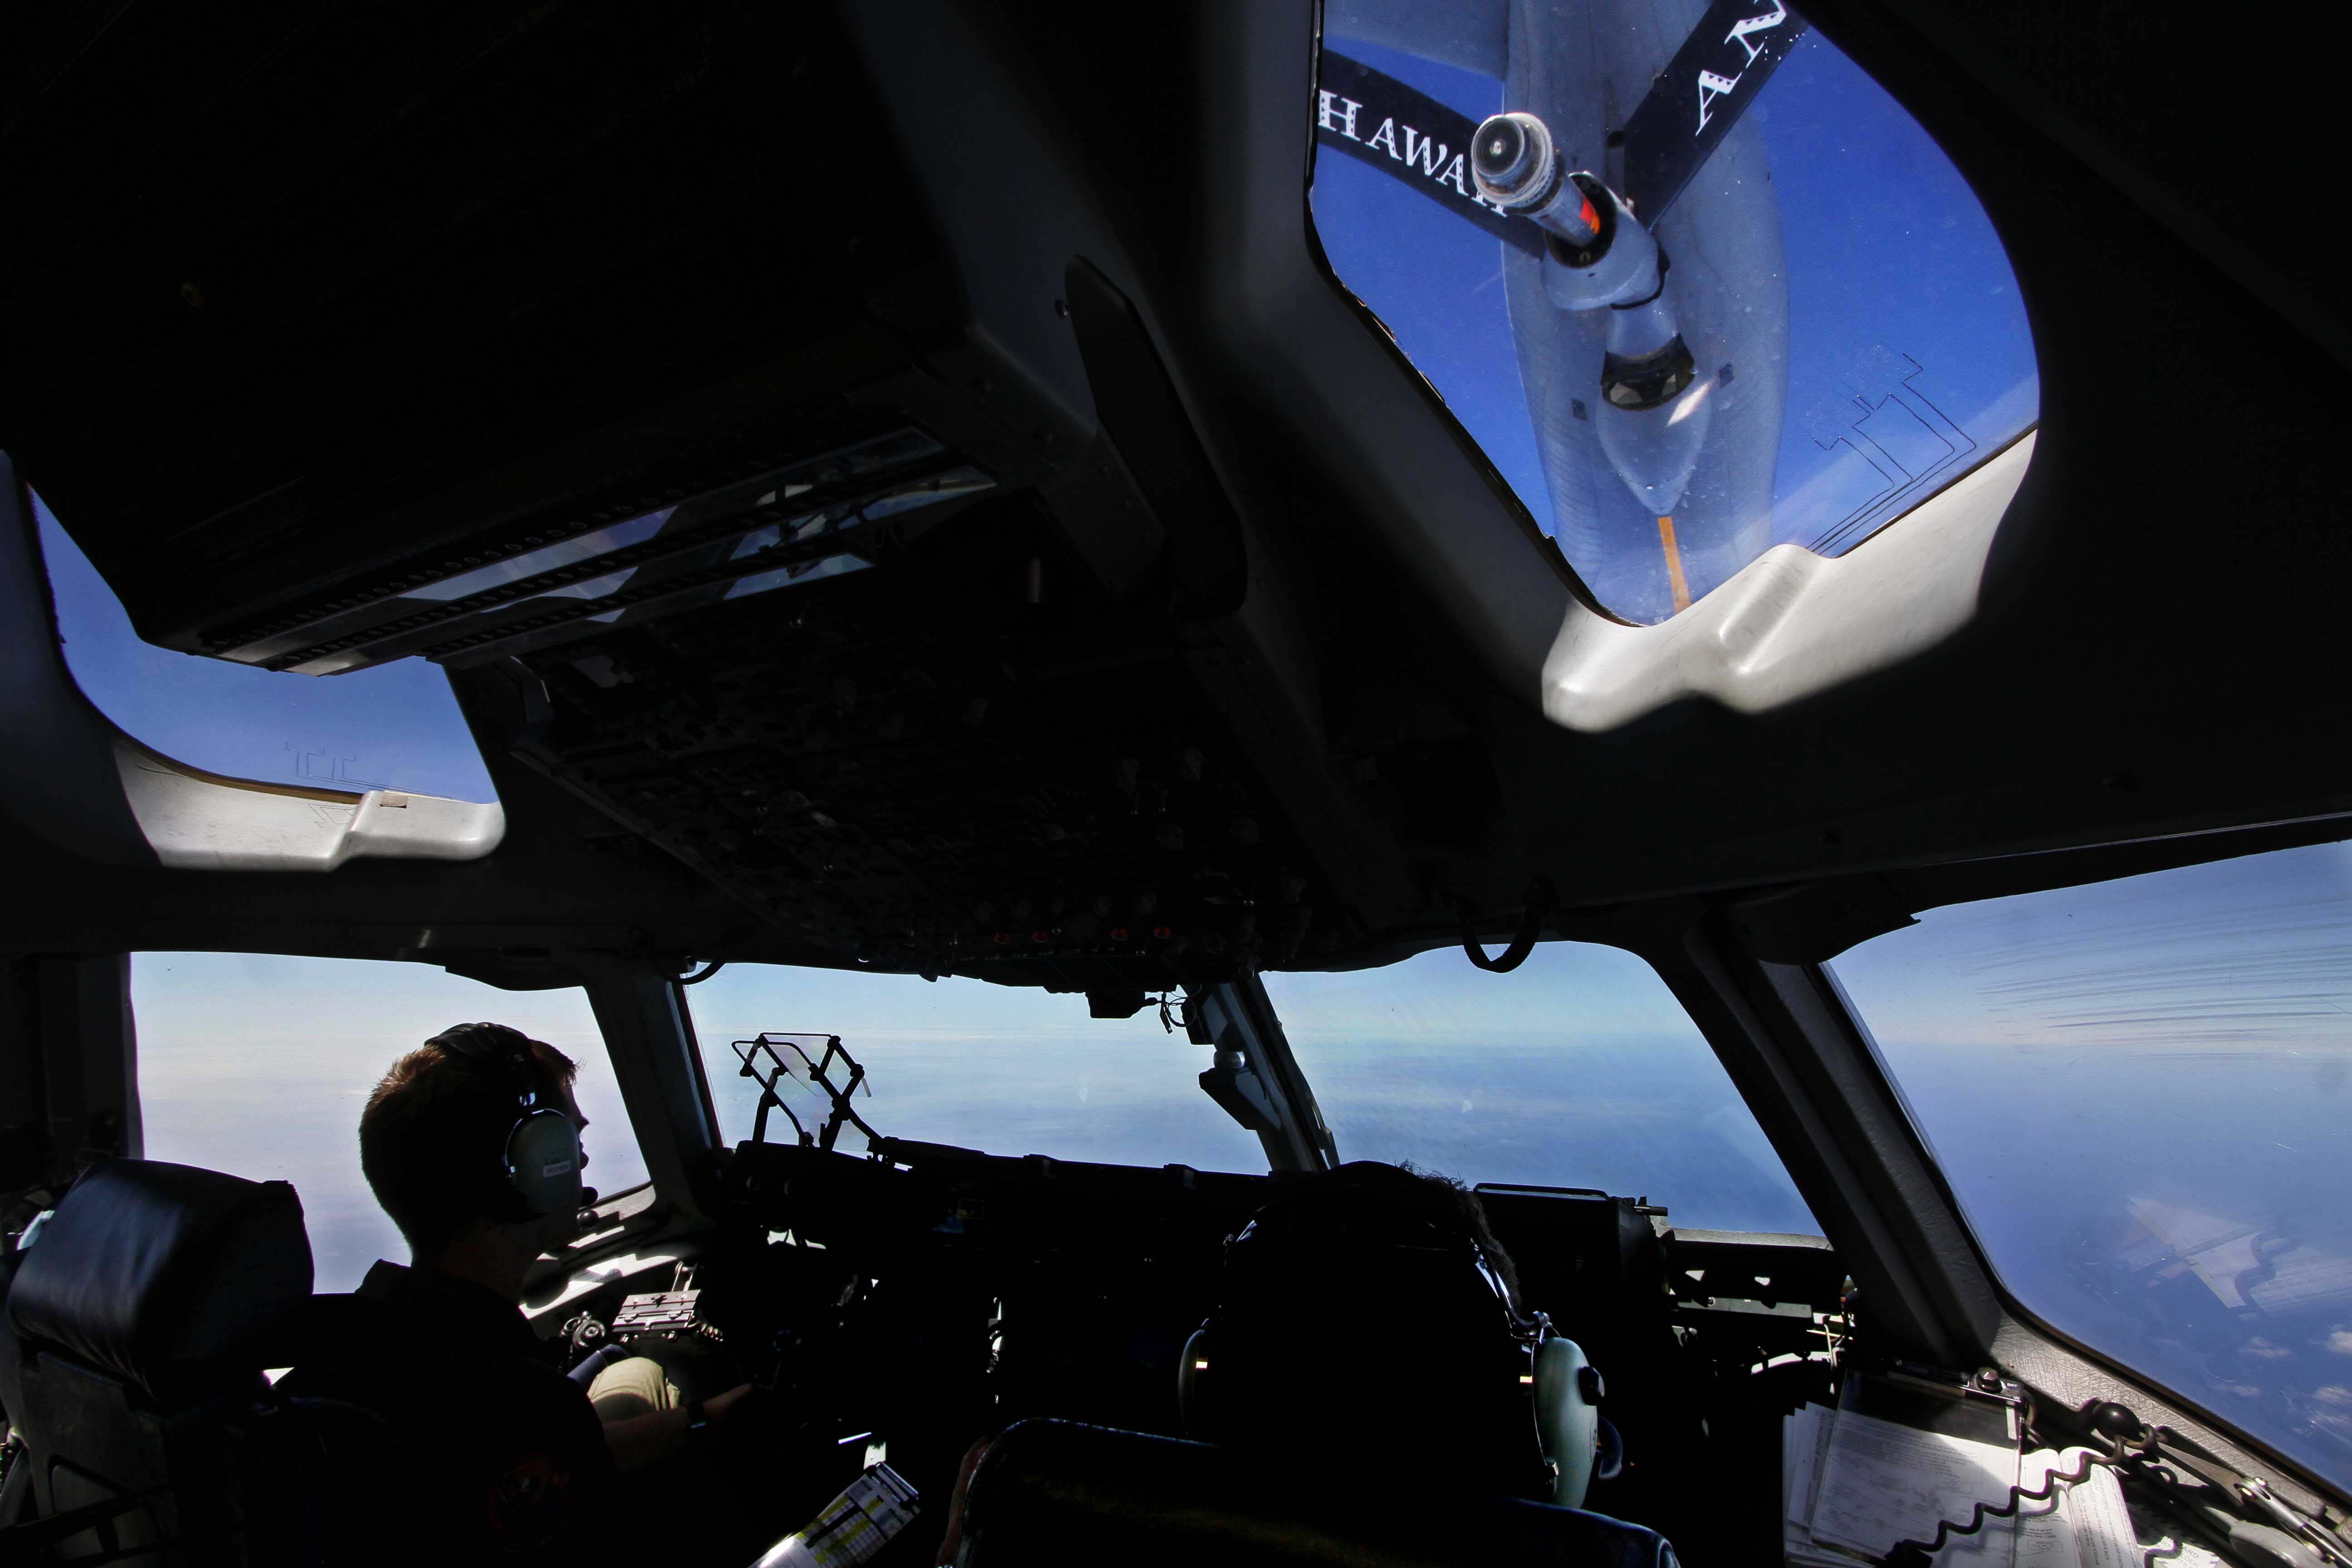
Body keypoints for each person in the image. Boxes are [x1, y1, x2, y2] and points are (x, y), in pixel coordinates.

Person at [280, 1023, 758, 1562]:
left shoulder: (337, 1353)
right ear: (528, 1170)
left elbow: (555, 1455)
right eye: (570, 1139)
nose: (581, 1160)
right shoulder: (515, 1399)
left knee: (631, 1373)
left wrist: (701, 1422)